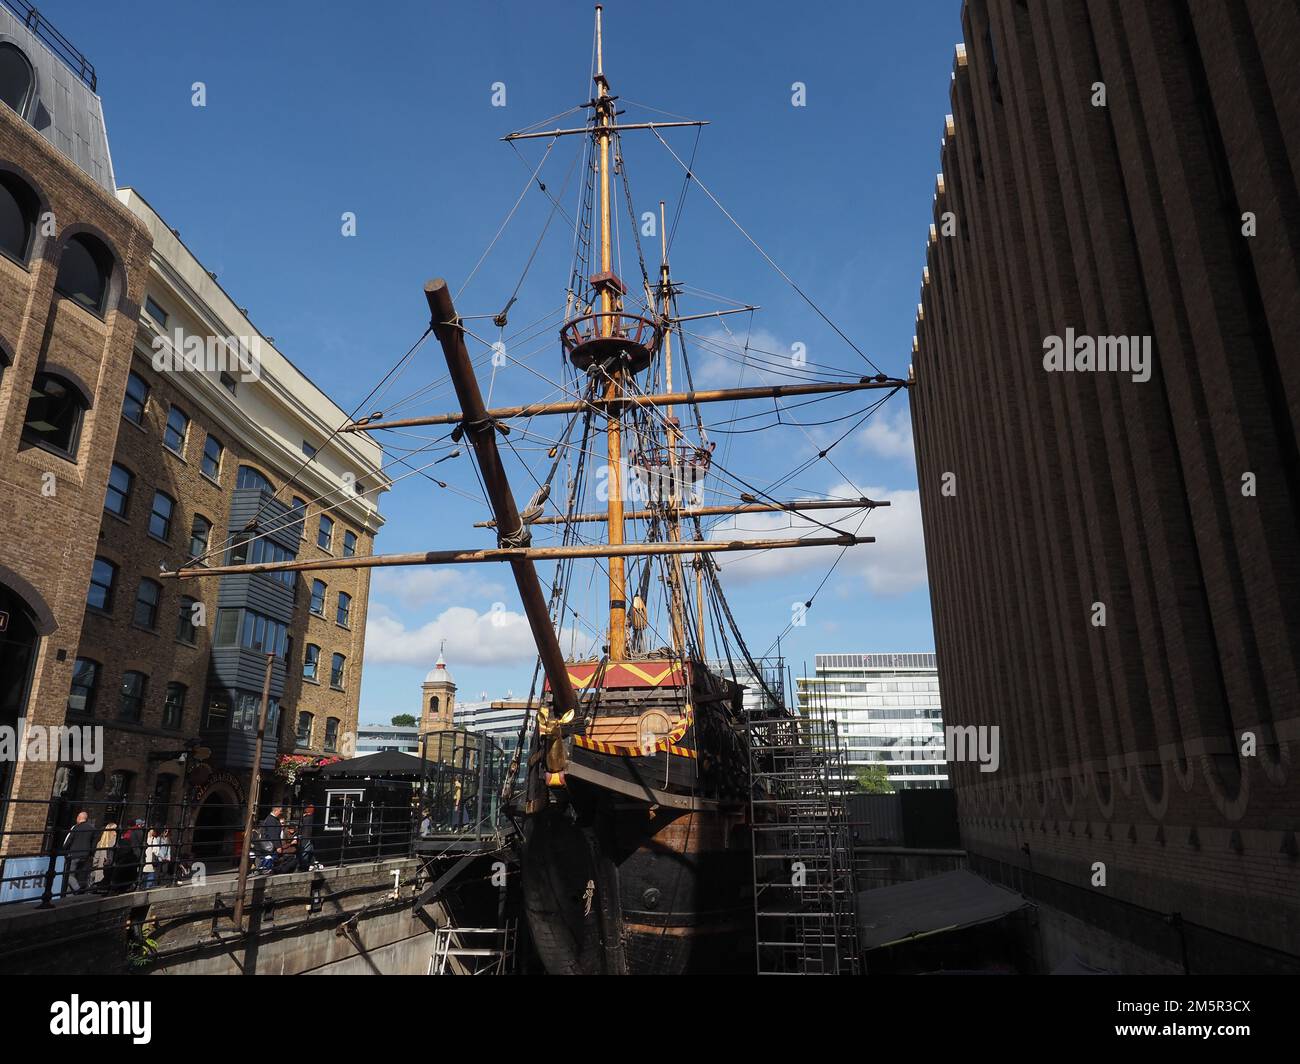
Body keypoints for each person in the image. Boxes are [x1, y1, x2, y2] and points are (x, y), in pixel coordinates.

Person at [62, 810, 97, 895]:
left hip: (74, 855)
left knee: (68, 874)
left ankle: (78, 890)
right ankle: (69, 895)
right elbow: (94, 843)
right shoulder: (92, 829)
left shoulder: (75, 827)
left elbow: (68, 841)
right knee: (78, 875)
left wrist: (64, 850)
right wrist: (91, 854)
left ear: (78, 818)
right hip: (85, 855)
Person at [90, 821, 117, 892]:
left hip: (100, 872)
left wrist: (94, 867)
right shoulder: (117, 843)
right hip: (112, 873)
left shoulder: (101, 843)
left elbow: (96, 859)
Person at [258, 806, 283, 874]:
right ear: (275, 811)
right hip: (270, 843)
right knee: (269, 856)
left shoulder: (273, 819)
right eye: (280, 811)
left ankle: (266, 868)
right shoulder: (271, 820)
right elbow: (273, 834)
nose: (281, 813)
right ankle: (265, 869)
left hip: (271, 842)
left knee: (270, 856)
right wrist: (278, 846)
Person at [297, 805, 319, 871]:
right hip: (310, 837)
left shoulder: (305, 818)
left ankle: (303, 867)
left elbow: (300, 828)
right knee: (311, 852)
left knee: (305, 853)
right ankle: (313, 864)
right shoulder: (313, 818)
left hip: (305, 837)